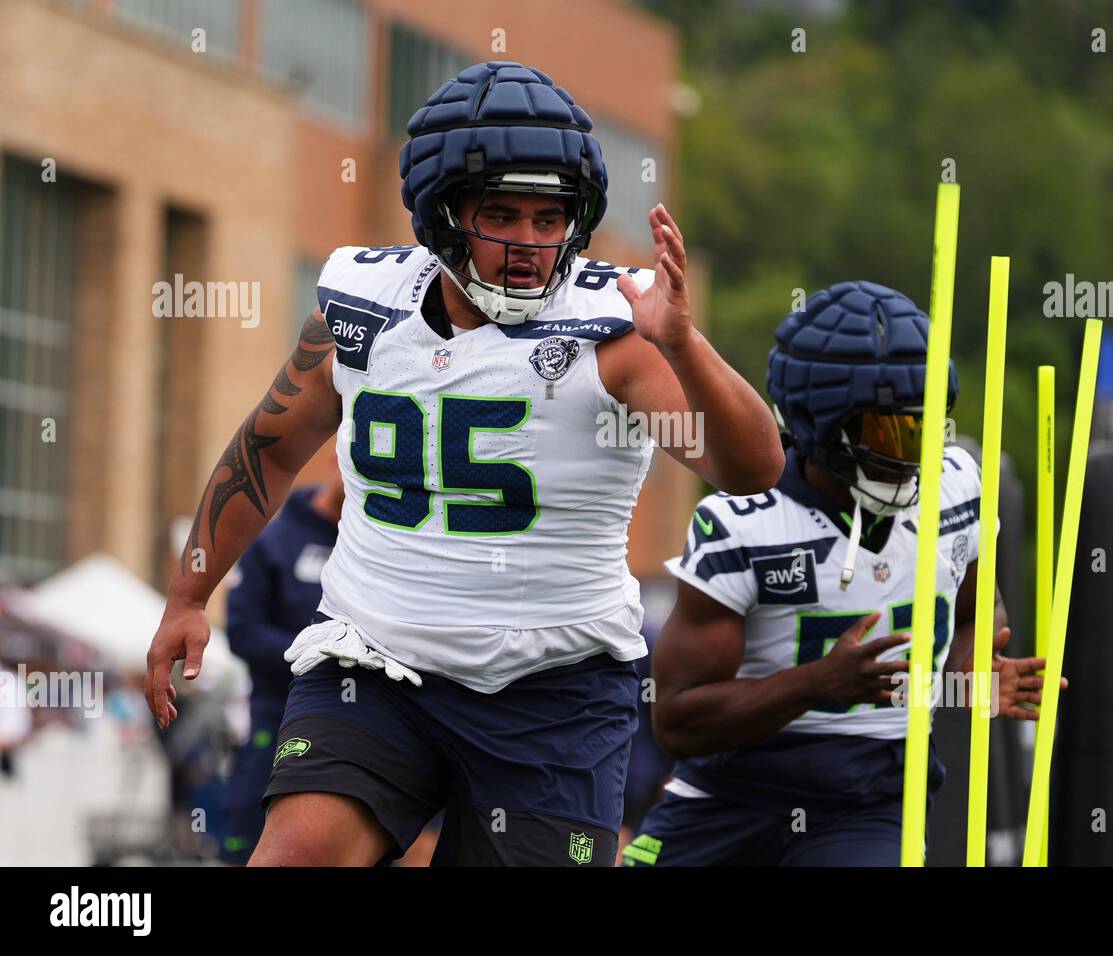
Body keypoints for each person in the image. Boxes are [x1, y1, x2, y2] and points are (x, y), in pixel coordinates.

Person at [144, 60, 784, 867]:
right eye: (502, 215)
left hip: (555, 685)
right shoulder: (361, 311)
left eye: (549, 219)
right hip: (375, 662)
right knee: (295, 855)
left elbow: (754, 469)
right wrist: (188, 594)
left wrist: (685, 347)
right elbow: (267, 453)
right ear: (442, 215)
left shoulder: (617, 330)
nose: (528, 243)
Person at [623, 280, 1062, 867]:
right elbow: (677, 720)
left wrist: (968, 673)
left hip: (868, 799)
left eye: (925, 428)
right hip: (730, 793)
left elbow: (975, 614)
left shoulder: (956, 490)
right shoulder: (745, 525)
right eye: (891, 433)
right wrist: (814, 685)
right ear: (820, 424)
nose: (913, 457)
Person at [218, 464, 343, 864]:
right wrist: (320, 652)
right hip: (276, 725)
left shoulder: (373, 544)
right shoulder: (273, 541)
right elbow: (242, 631)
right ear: (342, 460)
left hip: (358, 727)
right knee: (254, 844)